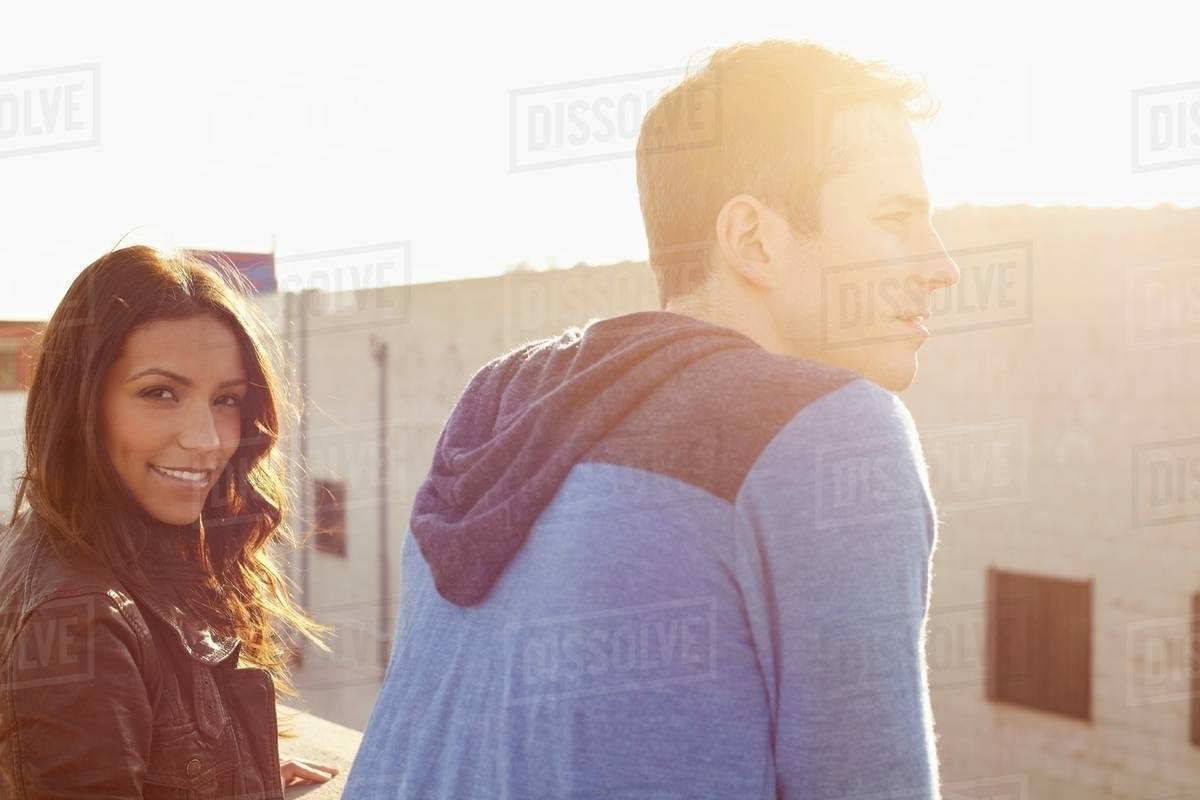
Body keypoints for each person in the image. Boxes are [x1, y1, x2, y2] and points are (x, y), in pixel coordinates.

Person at [346, 39, 961, 798]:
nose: (942, 267)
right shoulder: (828, 432)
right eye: (897, 218)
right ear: (754, 241)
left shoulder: (500, 402)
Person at [0, 246, 341, 798]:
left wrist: (234, 769)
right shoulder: (79, 618)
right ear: (81, 403)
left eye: (226, 400)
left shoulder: (129, 547)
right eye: (160, 393)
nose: (206, 439)